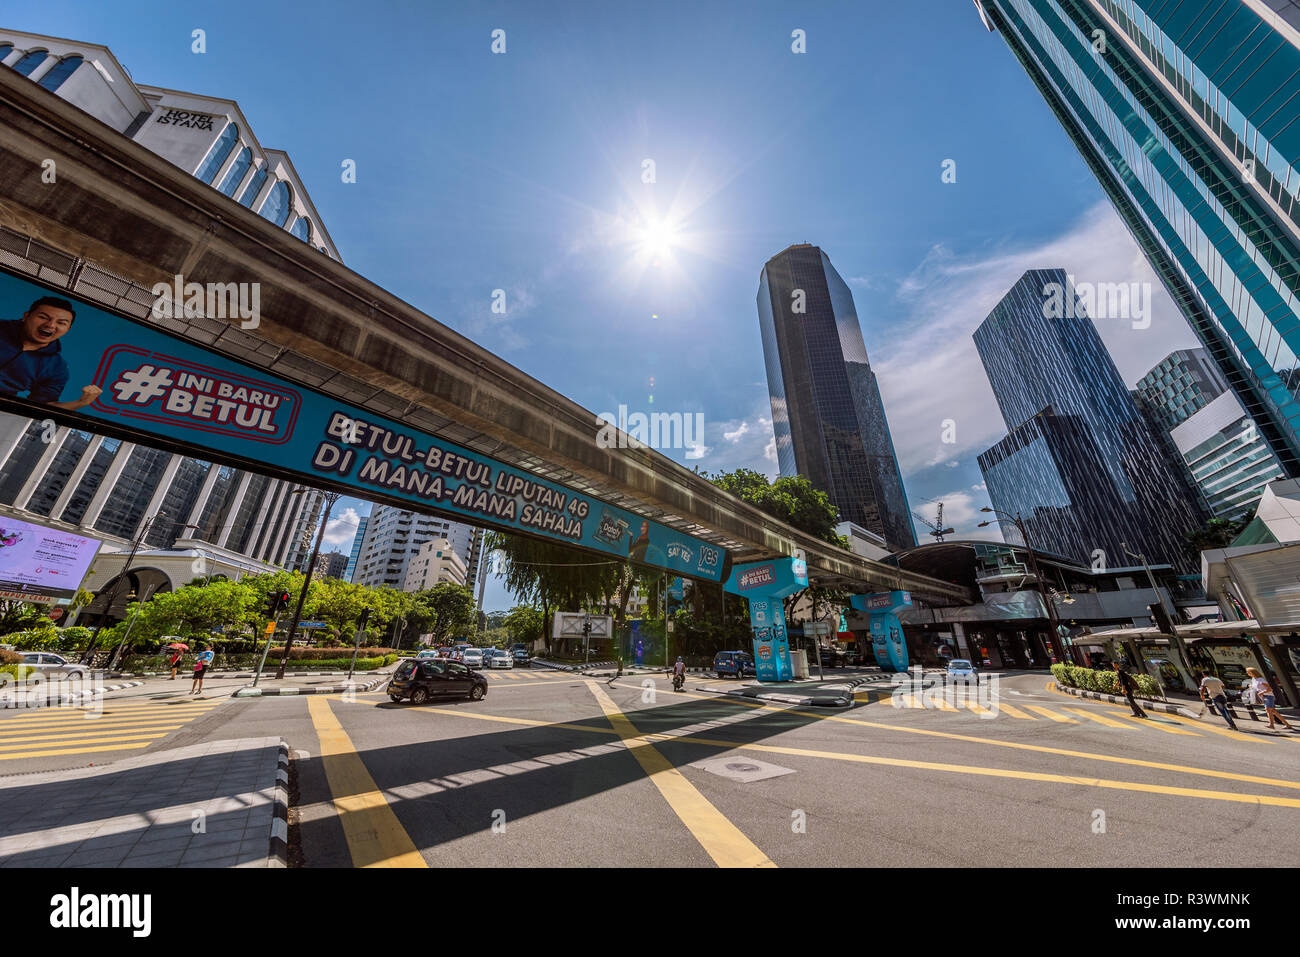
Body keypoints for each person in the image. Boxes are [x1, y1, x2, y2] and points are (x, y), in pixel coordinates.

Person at [0, 297, 101, 409]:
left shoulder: (56, 368)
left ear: (68, 329)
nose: (51, 325)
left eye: (61, 323)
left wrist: (80, 403)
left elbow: (43, 407)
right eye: (43, 317)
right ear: (26, 316)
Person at [1245, 667, 1294, 732]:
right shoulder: (1254, 679)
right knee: (1273, 711)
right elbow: (1256, 687)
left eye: (1248, 672)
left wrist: (1262, 692)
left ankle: (1271, 725)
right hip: (1264, 696)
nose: (1247, 673)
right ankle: (1287, 725)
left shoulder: (1261, 680)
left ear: (1253, 673)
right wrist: (1251, 687)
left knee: (1268, 709)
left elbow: (1270, 689)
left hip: (1269, 696)